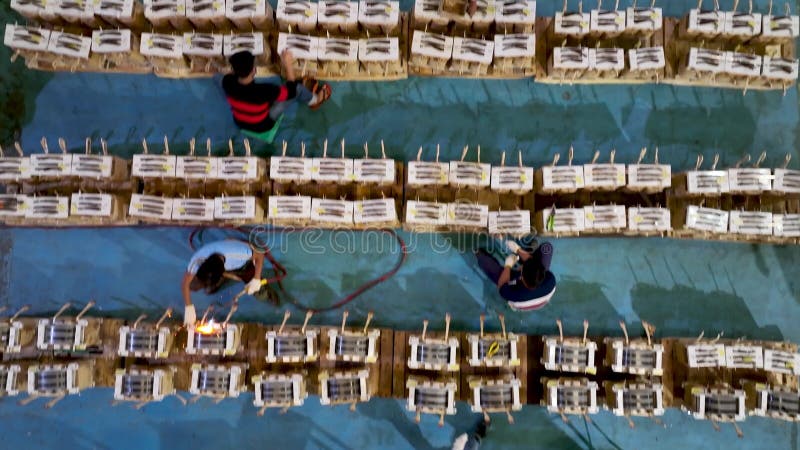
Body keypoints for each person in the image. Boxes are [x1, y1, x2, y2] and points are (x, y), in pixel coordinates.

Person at [222, 49, 331, 134]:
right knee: (298, 88)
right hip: (263, 124)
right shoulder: (265, 90)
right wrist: (288, 64)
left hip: (240, 123)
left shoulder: (226, 82)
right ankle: (315, 100)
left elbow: (231, 78)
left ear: (233, 70)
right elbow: (291, 91)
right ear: (254, 71)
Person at [182, 240, 265, 326]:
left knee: (256, 289)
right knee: (192, 286)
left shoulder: (240, 254)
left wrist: (256, 279)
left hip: (240, 262)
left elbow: (260, 254)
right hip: (224, 262)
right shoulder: (197, 260)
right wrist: (189, 307)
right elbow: (185, 283)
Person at [475, 240, 556, 311]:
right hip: (538, 284)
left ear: (522, 277)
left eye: (521, 268)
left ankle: (480, 254)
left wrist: (508, 266)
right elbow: (534, 264)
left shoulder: (515, 295)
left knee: (486, 263)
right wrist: (518, 249)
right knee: (547, 248)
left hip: (520, 297)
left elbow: (501, 285)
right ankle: (528, 253)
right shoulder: (550, 280)